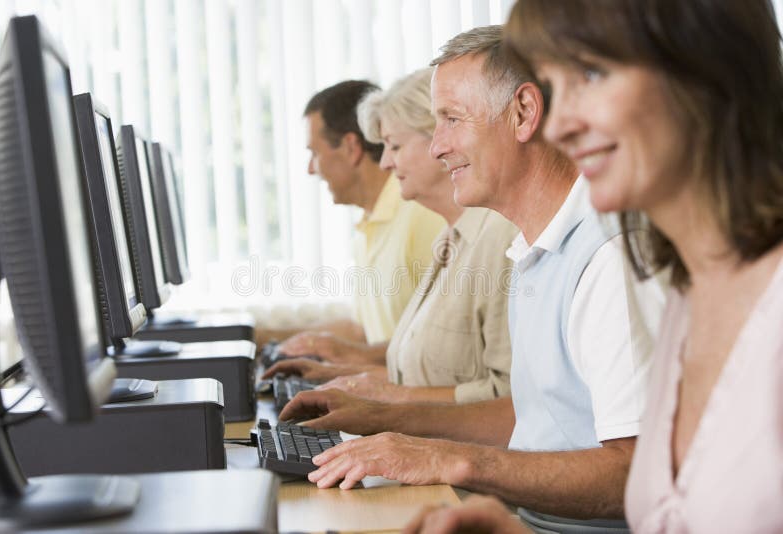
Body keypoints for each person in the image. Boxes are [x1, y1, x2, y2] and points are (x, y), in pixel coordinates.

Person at [278, 26, 666, 524]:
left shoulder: (608, 258)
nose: (437, 147)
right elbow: (528, 417)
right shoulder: (533, 247)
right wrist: (385, 420)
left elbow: (633, 473)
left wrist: (449, 460)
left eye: (451, 120)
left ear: (524, 113)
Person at [500, 1, 783, 532]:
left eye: (591, 72)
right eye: (552, 84)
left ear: (707, 69)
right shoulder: (687, 291)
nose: (557, 127)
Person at [265, 68, 517, 404]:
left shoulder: (465, 228)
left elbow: (503, 394)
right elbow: (417, 357)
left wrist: (388, 396)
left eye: (394, 145)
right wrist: (346, 373)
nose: (385, 162)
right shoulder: (448, 236)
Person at [254, 80, 444, 353]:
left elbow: (441, 350)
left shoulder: (422, 212)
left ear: (351, 147)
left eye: (315, 153)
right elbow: (363, 331)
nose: (310, 169)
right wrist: (262, 338)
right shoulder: (370, 225)